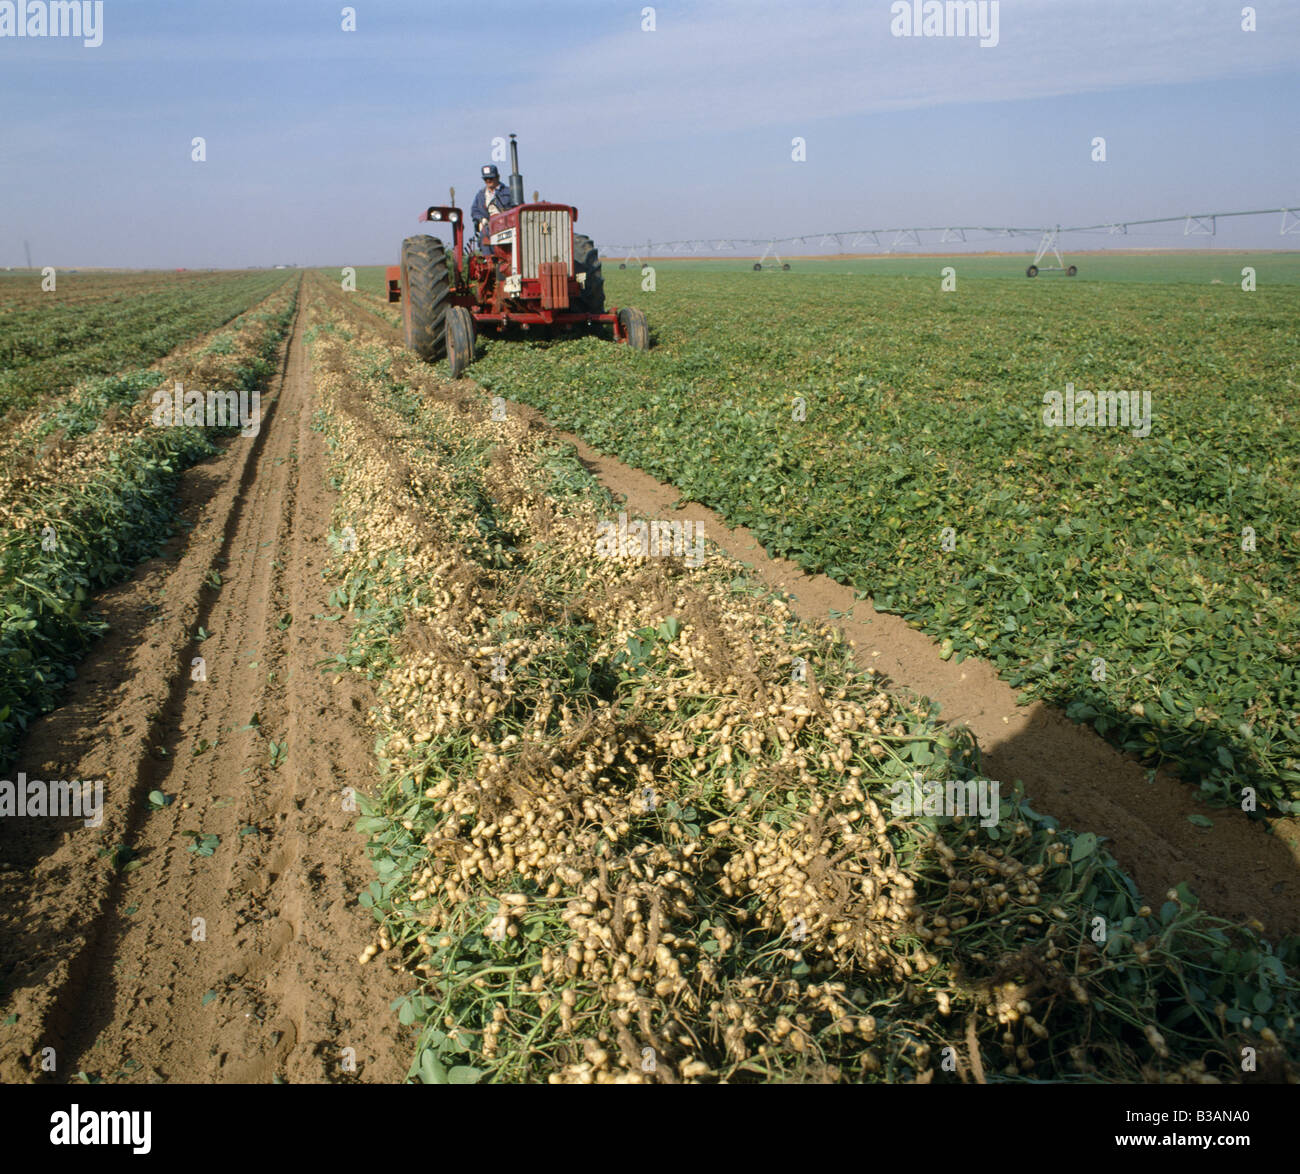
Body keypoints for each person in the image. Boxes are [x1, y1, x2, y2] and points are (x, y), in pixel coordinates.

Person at [471, 164, 515, 252]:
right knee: (484, 232)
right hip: (489, 223)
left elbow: (517, 207)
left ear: (497, 177)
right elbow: (474, 211)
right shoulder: (480, 195)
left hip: (506, 223)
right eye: (485, 179)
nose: (488, 181)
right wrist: (481, 219)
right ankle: (488, 259)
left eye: (491, 178)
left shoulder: (509, 192)